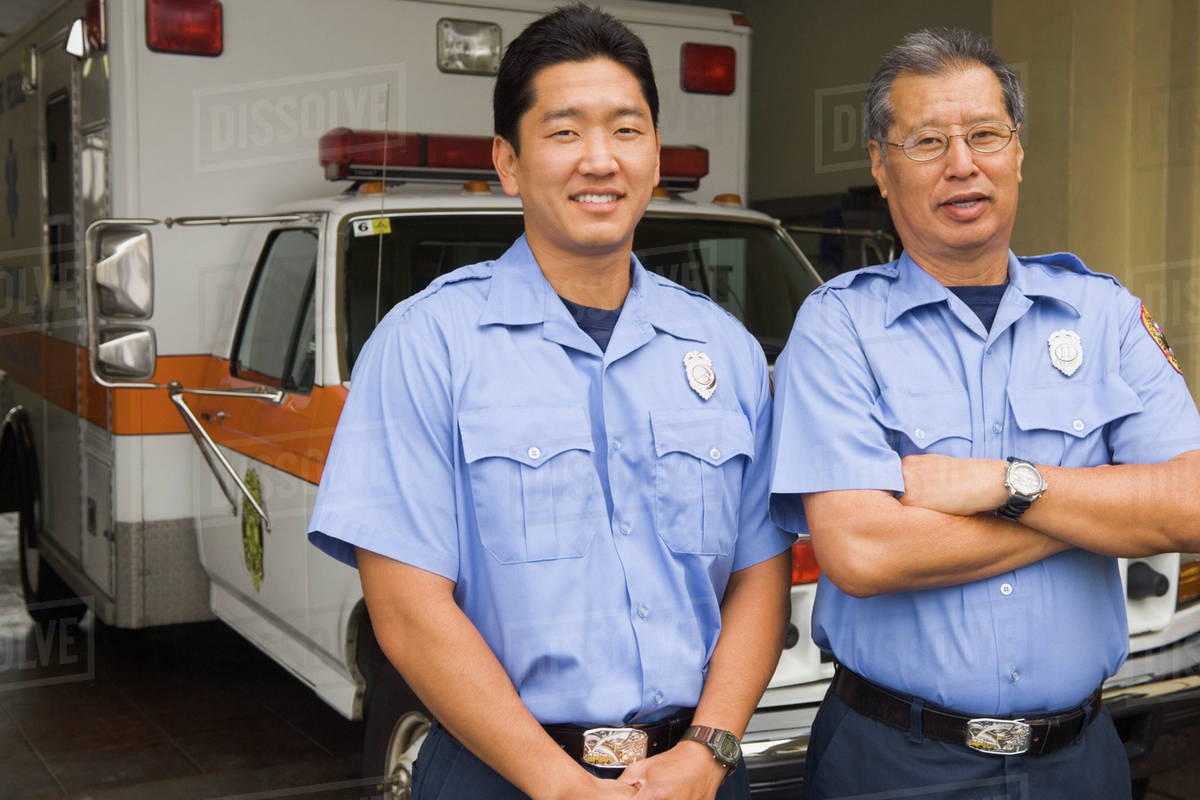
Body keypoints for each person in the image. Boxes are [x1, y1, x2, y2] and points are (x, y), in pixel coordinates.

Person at [307, 6, 793, 800]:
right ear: (509, 162)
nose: (600, 160)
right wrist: (561, 786)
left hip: (694, 774)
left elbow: (760, 571)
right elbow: (406, 611)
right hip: (499, 773)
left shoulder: (726, 349)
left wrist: (709, 750)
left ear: (655, 154)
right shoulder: (427, 344)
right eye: (564, 132)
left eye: (626, 130)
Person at [769, 28, 1200, 800]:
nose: (962, 164)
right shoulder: (839, 329)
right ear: (879, 163)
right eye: (927, 141)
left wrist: (1009, 482)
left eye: (984, 135)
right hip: (894, 763)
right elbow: (863, 554)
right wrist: (1093, 505)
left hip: (1082, 760)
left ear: (1019, 151)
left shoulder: (1102, 316)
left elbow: (1192, 504)